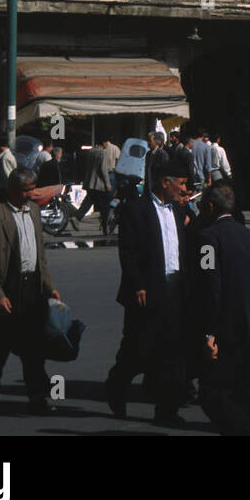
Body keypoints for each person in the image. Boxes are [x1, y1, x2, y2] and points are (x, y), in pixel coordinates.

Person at [106, 156, 192, 427]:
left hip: (174, 290)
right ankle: (116, 385)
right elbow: (128, 252)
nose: (184, 189)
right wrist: (138, 284)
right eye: (181, 184)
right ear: (165, 182)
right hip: (147, 290)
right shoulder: (136, 209)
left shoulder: (178, 212)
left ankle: (167, 410)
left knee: (173, 352)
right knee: (137, 348)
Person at [0, 167, 62, 414]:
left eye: (33, 189)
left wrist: (50, 286)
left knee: (34, 349)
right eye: (25, 190)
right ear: (12, 189)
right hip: (6, 289)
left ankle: (37, 398)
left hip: (32, 290)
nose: (30, 194)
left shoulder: (33, 211)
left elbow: (40, 255)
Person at [193, 182, 250, 436]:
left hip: (227, 331)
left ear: (210, 207)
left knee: (212, 394)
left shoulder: (208, 239)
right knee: (244, 399)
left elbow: (210, 285)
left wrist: (209, 332)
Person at [79, 137, 120, 227]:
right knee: (105, 202)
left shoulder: (91, 151)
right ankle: (105, 223)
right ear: (104, 143)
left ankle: (77, 217)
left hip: (90, 180)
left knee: (89, 200)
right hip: (100, 181)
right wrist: (107, 184)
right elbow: (103, 169)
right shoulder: (103, 152)